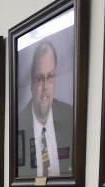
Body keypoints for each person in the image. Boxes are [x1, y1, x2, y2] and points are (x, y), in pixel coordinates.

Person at [17, 40, 74, 178]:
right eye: (39, 78)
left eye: (50, 77)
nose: (45, 87)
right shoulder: (17, 124)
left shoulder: (71, 116)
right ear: (31, 83)